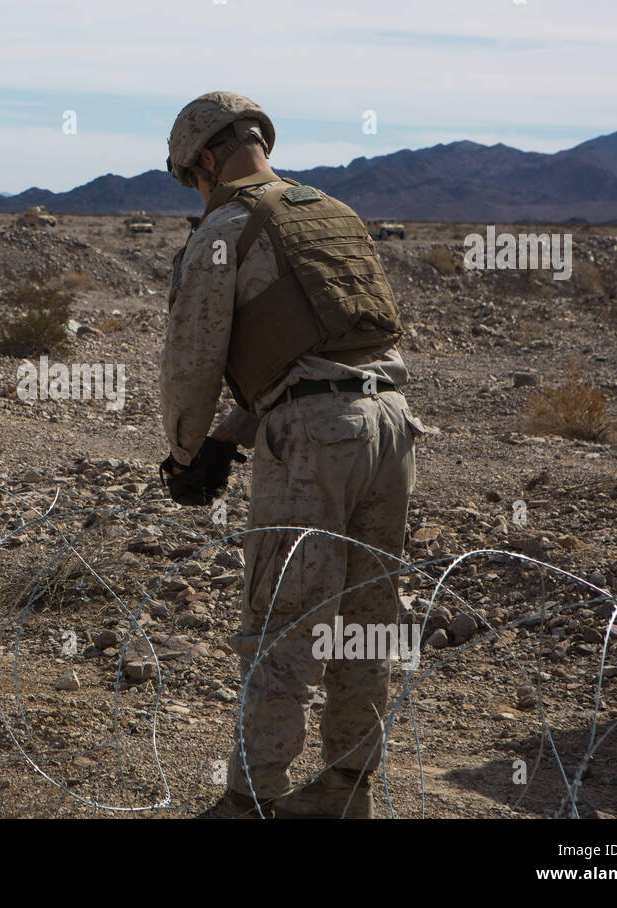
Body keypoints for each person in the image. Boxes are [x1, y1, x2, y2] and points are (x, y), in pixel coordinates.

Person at [158, 93, 428, 817]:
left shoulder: (226, 229)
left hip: (313, 442)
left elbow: (192, 360)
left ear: (207, 159)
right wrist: (229, 434)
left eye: (194, 178)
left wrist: (187, 452)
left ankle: (250, 801)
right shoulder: (332, 213)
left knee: (281, 623)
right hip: (393, 425)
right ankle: (345, 789)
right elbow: (320, 346)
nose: (199, 191)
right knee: (366, 618)